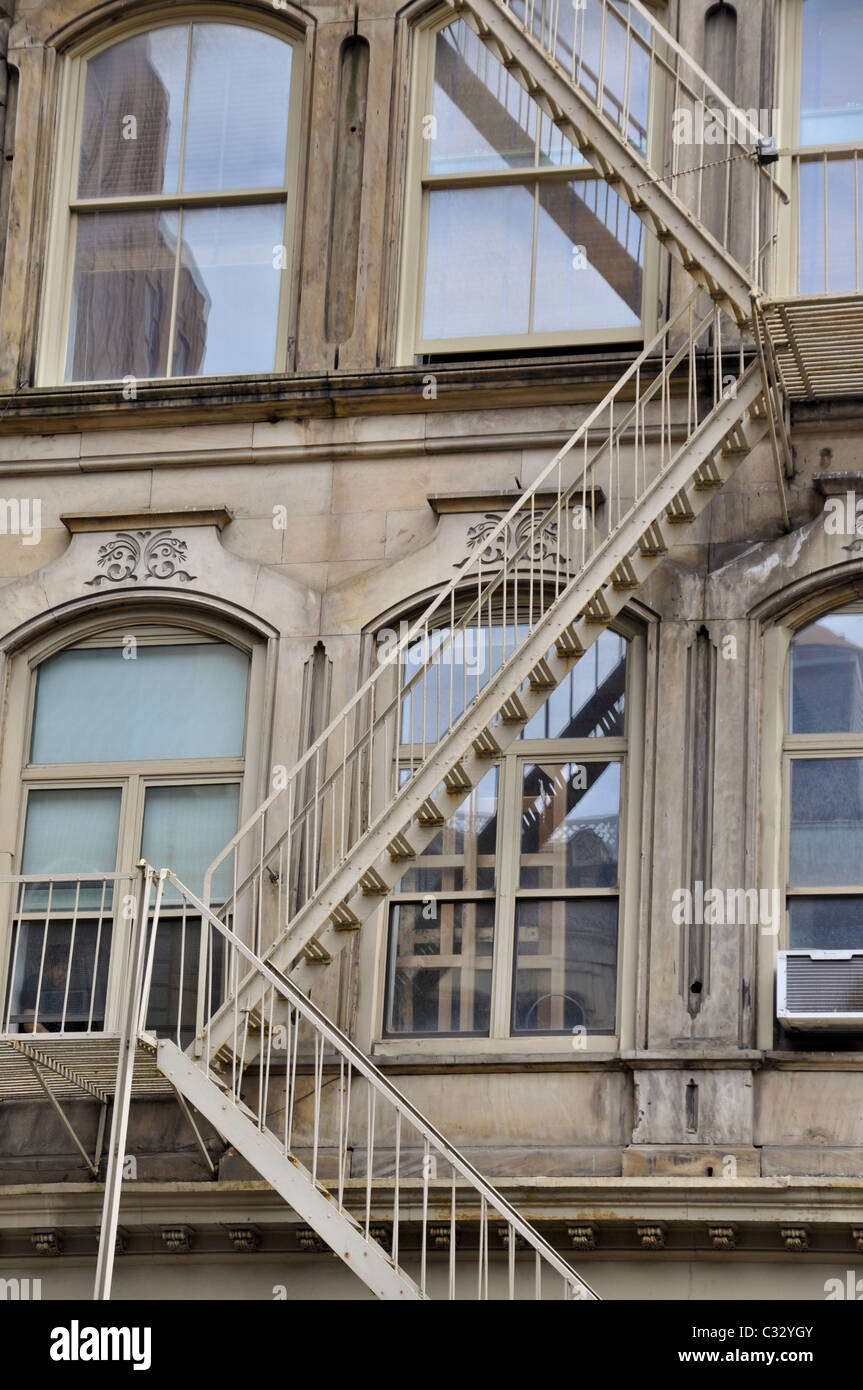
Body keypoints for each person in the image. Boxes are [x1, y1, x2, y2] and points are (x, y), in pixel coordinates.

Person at [17, 943, 73, 1033]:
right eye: (64, 969)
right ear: (49, 966)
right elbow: (30, 1023)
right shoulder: (36, 983)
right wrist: (53, 1043)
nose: (65, 976)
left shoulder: (50, 988)